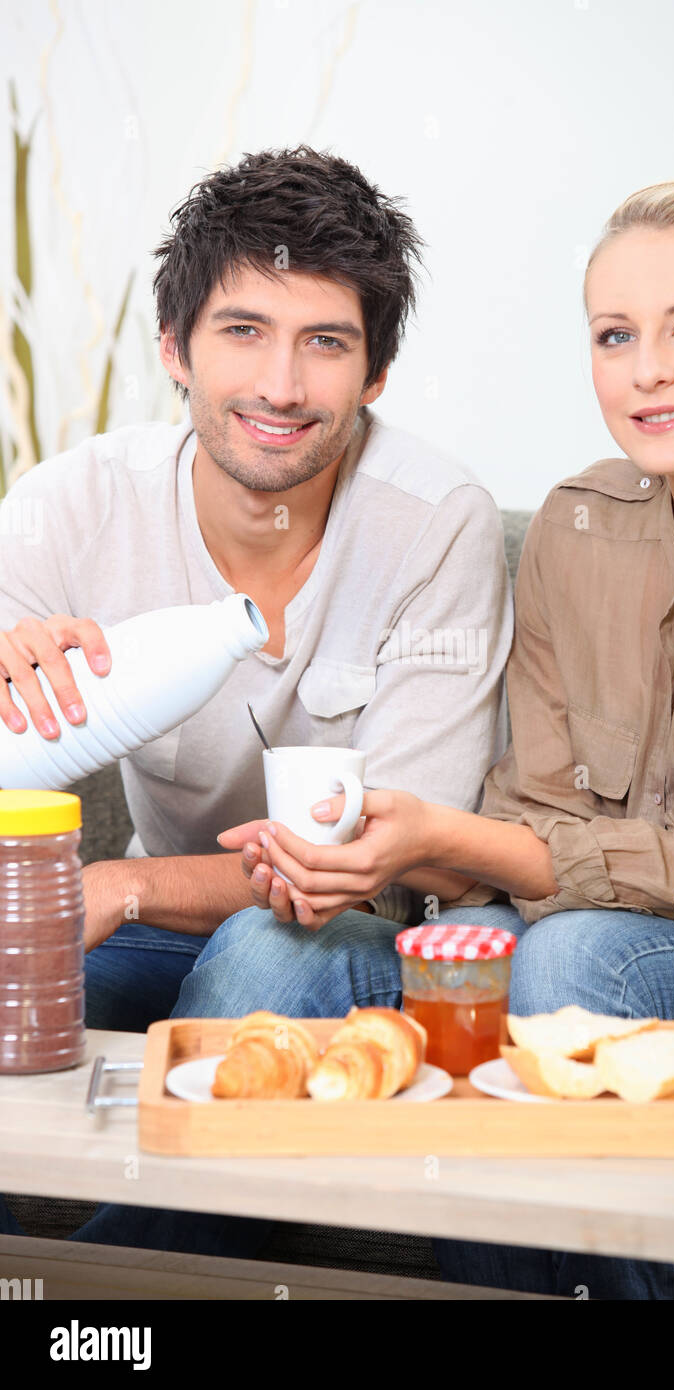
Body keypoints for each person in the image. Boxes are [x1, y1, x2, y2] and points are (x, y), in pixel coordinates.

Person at [217, 175, 674, 1299]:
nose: (647, 369)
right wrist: (412, 863)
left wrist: (455, 839)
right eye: (615, 335)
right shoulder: (577, 525)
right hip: (571, 931)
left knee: (569, 961)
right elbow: (533, 811)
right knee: (279, 949)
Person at [0, 146, 511, 1255]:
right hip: (147, 942)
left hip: (351, 942)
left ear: (373, 373)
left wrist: (128, 881)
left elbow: (398, 857)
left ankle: (91, 1284)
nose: (281, 386)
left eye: (324, 342)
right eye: (243, 332)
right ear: (175, 350)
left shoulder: (436, 524)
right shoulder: (70, 506)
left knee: (262, 955)